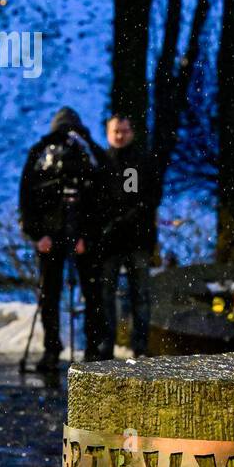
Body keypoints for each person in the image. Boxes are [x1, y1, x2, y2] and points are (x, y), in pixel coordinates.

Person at [18, 107, 103, 370]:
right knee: (63, 294)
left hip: (70, 234)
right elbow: (28, 197)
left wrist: (85, 235)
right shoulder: (81, 152)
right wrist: (38, 234)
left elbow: (101, 196)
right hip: (55, 235)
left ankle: (82, 349)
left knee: (75, 294)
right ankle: (69, 349)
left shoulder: (78, 152)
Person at [98, 113, 156, 359]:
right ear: (108, 133)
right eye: (115, 132)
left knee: (140, 295)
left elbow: (150, 197)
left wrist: (126, 219)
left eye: (124, 131)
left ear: (132, 133)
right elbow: (94, 200)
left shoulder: (142, 161)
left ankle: (140, 347)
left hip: (137, 239)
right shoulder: (100, 162)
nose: (120, 136)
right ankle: (105, 346)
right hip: (109, 242)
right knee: (105, 295)